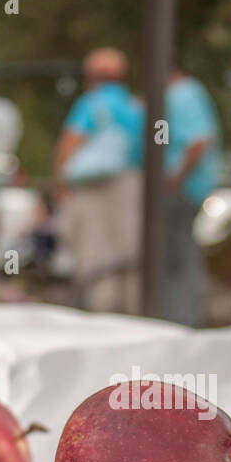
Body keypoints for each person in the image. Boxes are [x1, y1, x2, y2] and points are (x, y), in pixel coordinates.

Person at [55, 47, 145, 313]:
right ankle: (135, 313)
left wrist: (62, 187)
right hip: (131, 186)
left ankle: (101, 316)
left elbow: (69, 143)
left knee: (97, 257)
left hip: (92, 191)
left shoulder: (90, 104)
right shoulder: (137, 107)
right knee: (130, 256)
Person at [164, 66, 220, 327]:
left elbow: (198, 142)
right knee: (180, 257)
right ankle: (183, 319)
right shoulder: (190, 93)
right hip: (189, 190)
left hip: (183, 191)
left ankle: (183, 322)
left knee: (178, 259)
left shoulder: (182, 94)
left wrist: (175, 178)